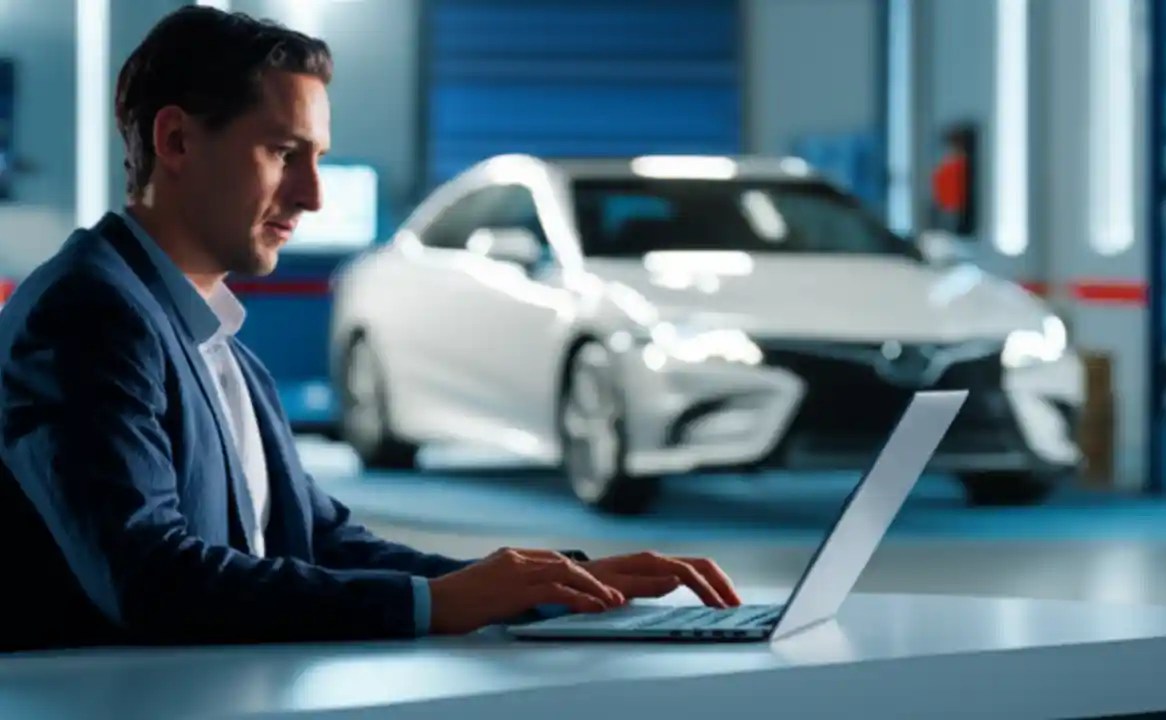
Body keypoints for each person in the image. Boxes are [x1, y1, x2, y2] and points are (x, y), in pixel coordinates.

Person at [0, 7, 739, 651]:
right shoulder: (87, 315)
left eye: (317, 159)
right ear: (177, 142)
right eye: (284, 154)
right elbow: (147, 575)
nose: (313, 195)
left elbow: (322, 542)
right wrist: (437, 604)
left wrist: (548, 582)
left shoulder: (213, 343)